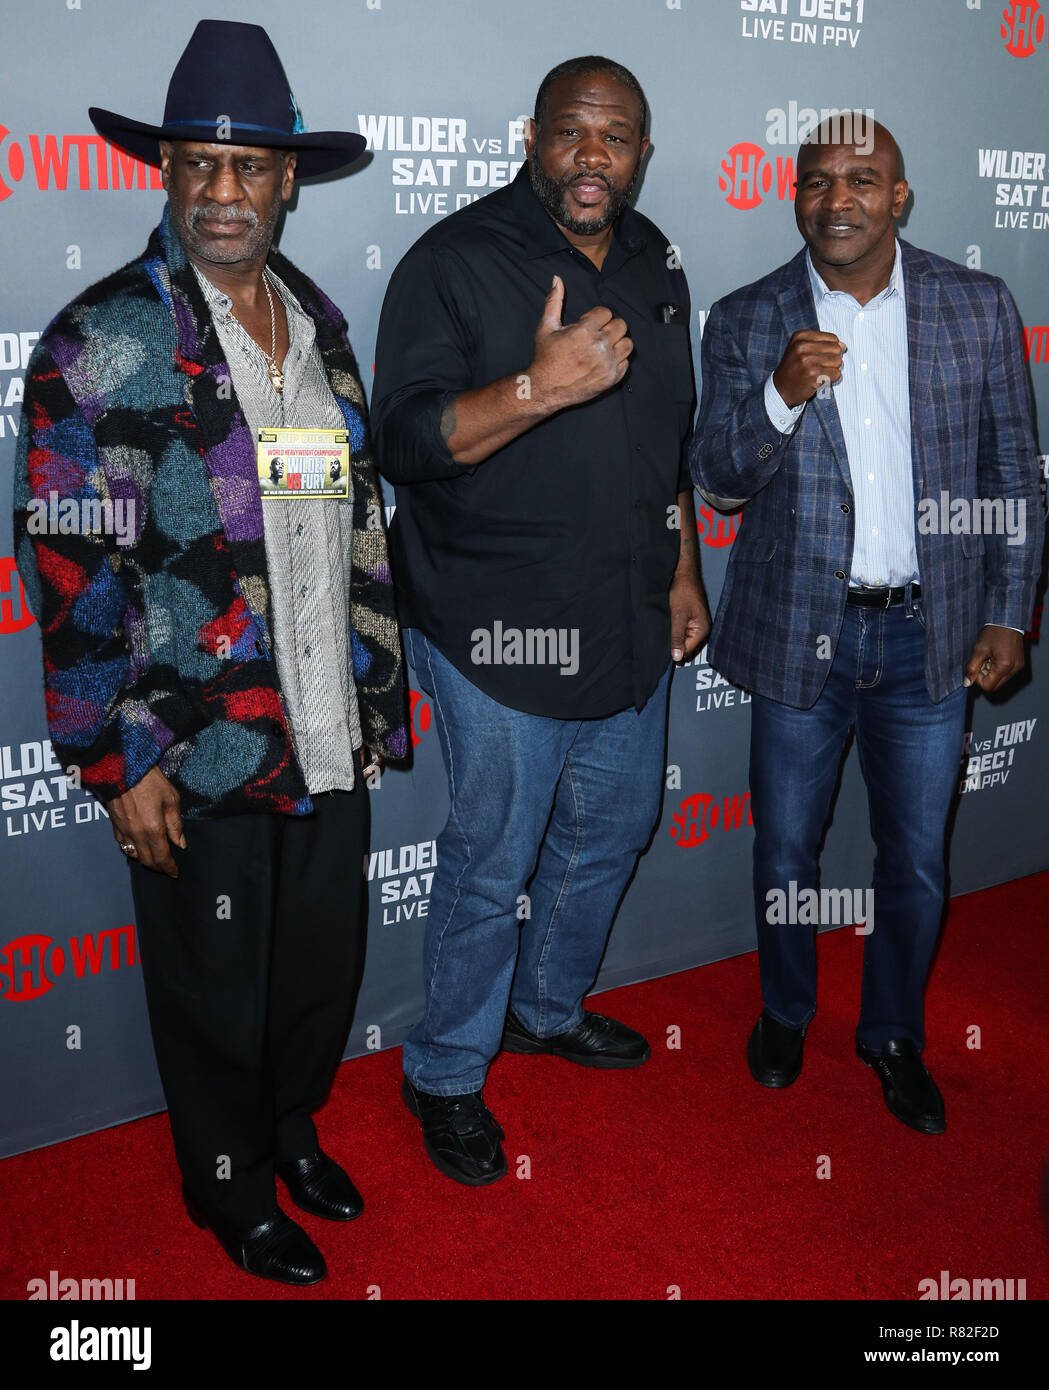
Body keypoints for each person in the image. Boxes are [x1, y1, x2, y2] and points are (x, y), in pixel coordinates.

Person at [12, 20, 407, 1283]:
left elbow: (349, 521)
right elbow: (68, 575)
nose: (220, 194)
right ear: (166, 174)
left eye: (247, 170)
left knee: (311, 971)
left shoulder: (319, 329)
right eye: (196, 166)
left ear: (288, 179)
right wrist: (110, 756)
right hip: (193, 734)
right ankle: (227, 1189)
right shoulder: (98, 343)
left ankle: (287, 1130)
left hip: (323, 715)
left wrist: (374, 685)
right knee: (211, 985)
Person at [372, 56, 709, 1185]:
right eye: (572, 132)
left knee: (610, 831)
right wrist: (536, 387)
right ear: (533, 137)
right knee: (489, 859)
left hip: (625, 610)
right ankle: (445, 1071)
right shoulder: (454, 260)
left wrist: (682, 570)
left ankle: (546, 1008)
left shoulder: (658, 259)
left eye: (616, 137)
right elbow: (404, 444)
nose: (592, 156)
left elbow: (671, 440)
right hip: (494, 624)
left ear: (640, 152)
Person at [690, 116, 1044, 1134]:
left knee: (916, 858)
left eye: (860, 179)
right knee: (786, 849)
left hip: (927, 639)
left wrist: (1008, 613)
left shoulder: (974, 305)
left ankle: (891, 1031)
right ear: (791, 194)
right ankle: (785, 1009)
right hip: (802, 631)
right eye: (815, 181)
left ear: (897, 197)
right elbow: (715, 479)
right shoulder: (750, 318)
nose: (835, 198)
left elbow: (1010, 475)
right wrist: (779, 394)